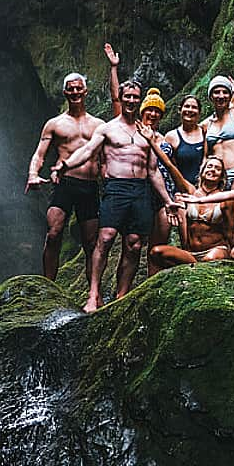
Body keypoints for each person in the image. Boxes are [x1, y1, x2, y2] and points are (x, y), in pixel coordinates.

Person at [53, 80, 183, 313]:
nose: (131, 100)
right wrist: (66, 164)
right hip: (116, 188)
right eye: (128, 96)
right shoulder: (107, 128)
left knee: (133, 245)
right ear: (121, 98)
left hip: (141, 190)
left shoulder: (148, 134)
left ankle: (121, 294)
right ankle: (93, 295)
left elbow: (153, 171)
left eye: (136, 97)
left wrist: (167, 200)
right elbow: (87, 151)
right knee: (105, 238)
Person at [25, 72, 106, 281]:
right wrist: (33, 174)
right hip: (65, 183)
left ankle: (93, 293)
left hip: (89, 186)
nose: (75, 92)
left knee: (91, 242)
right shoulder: (55, 124)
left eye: (79, 88)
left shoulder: (98, 125)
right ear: (64, 92)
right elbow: (39, 154)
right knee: (53, 234)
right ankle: (48, 286)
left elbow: (106, 156)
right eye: (71, 88)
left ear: (86, 91)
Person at [147, 155, 234, 273]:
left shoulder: (224, 199)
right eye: (209, 166)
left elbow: (231, 231)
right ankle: (192, 267)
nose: (212, 170)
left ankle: (195, 268)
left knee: (210, 259)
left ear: (222, 177)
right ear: (202, 172)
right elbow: (170, 167)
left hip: (215, 250)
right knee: (156, 252)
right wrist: (151, 140)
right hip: (190, 254)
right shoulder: (190, 192)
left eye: (217, 169)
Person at [201, 75, 234, 230]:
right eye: (216, 92)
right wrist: (201, 180)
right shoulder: (205, 125)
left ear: (230, 95)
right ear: (211, 96)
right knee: (223, 221)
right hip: (217, 178)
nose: (221, 96)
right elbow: (205, 155)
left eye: (225, 92)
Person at [139, 87, 175, 274]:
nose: (153, 114)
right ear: (142, 111)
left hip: (164, 195)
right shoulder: (134, 134)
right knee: (134, 242)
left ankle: (152, 281)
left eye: (157, 111)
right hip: (141, 192)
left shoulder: (165, 140)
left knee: (158, 243)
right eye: (149, 110)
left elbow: (172, 168)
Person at [159, 95, 206, 188]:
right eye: (187, 106)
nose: (190, 110)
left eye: (194, 107)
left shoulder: (205, 132)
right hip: (182, 189)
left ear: (199, 112)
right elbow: (166, 168)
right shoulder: (171, 137)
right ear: (180, 110)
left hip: (205, 188)